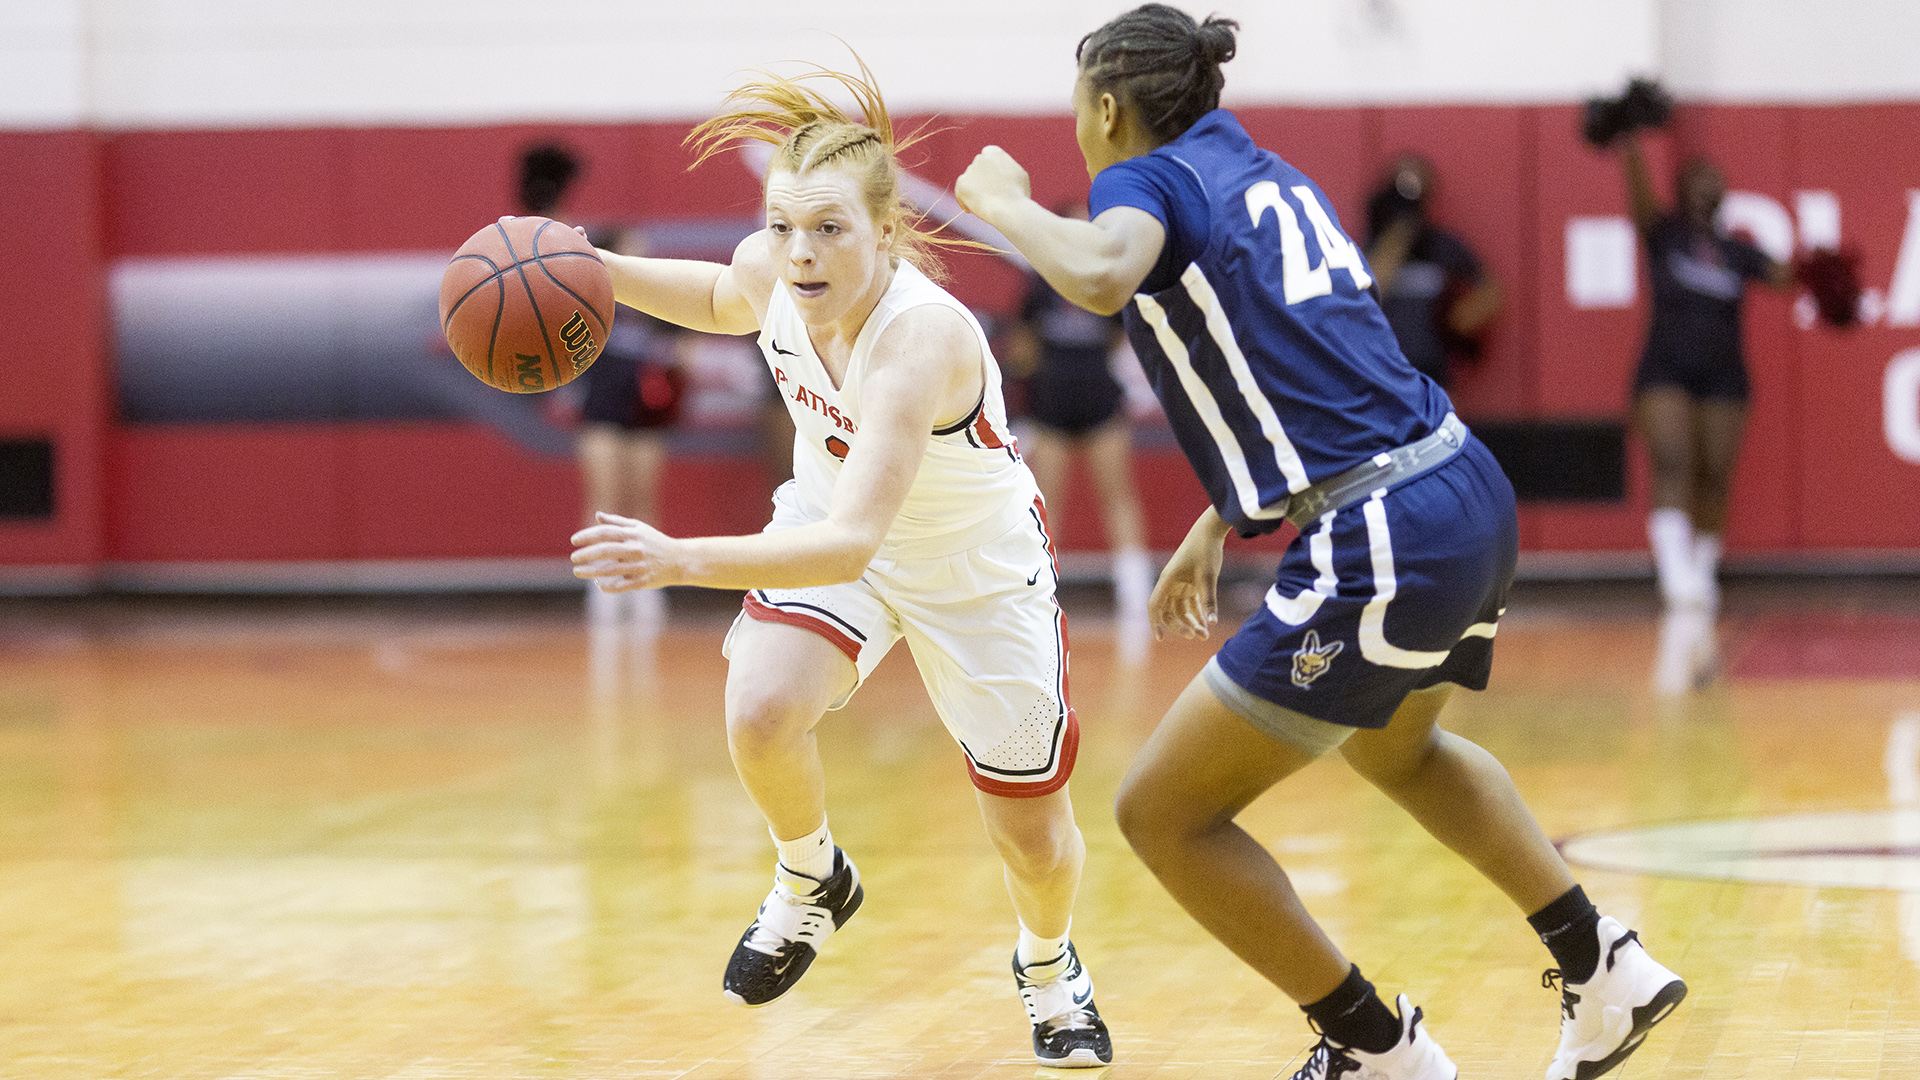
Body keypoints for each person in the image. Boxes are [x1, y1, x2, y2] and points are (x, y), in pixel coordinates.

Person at [956, 6, 1684, 1079]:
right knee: (1401, 750)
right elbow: (1310, 363)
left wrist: (1002, 202)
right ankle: (1603, 966)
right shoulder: (1261, 172)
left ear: (1109, 110)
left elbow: (1105, 274)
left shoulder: (1142, 182)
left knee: (1165, 813)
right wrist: (1224, 512)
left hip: (1383, 532)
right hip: (1460, 487)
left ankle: (1373, 1049)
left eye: (1078, 111)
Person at [569, 59, 1112, 1067]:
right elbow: (727, 293)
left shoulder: (923, 345)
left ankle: (1049, 966)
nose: (798, 254)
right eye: (782, 227)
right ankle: (813, 877)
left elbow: (856, 540)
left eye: (828, 231)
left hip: (969, 570)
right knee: (762, 711)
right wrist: (591, 270)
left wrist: (679, 556)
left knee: (1031, 840)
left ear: (886, 232)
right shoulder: (777, 267)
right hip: (834, 520)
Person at [1615, 132, 1792, 617]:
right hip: (1664, 369)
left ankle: (1702, 565)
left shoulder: (1739, 252)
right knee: (1673, 462)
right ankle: (1674, 576)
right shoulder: (1663, 233)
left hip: (1725, 376)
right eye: (1697, 177)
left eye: (1715, 178)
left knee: (1715, 474)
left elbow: (1790, 278)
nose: (1707, 184)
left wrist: (1827, 276)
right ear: (1680, 186)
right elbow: (1638, 195)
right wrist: (1628, 143)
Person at [516, 143, 690, 630]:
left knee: (642, 501)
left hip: (645, 410)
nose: (642, 255)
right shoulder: (590, 300)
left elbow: (684, 353)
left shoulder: (662, 308)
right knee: (604, 498)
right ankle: (602, 591)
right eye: (631, 248)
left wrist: (675, 363)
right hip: (600, 406)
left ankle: (647, 589)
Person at [1007, 207, 1153, 658]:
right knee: (1045, 504)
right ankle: (1040, 597)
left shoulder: (1104, 280)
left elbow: (1118, 337)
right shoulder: (1039, 282)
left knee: (1119, 495)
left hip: (1100, 403)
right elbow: (1022, 346)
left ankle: (1136, 600)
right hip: (1050, 403)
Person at [1363, 154, 1503, 389]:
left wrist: (1459, 320)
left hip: (1433, 369)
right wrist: (1395, 240)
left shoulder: (1441, 244)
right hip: (1386, 368)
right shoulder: (1374, 248)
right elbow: (1368, 292)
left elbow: (1492, 291)